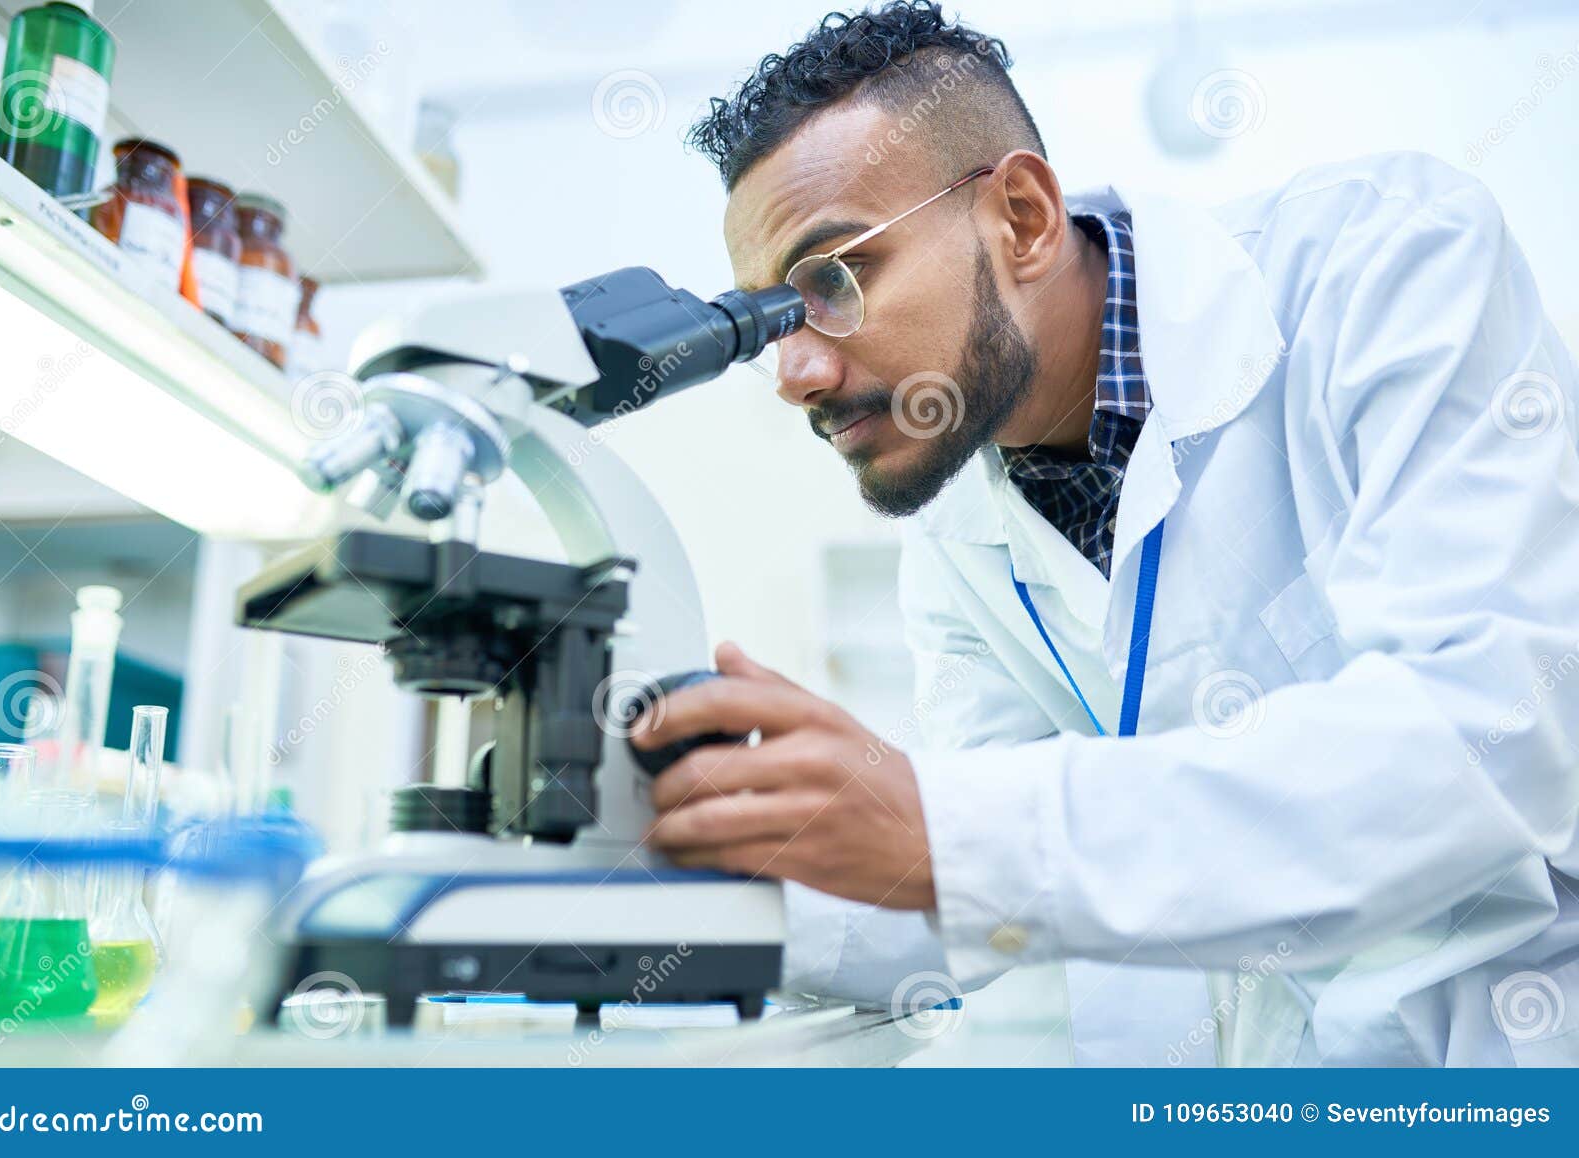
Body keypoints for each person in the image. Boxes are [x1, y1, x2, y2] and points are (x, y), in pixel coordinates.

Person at [629, 1, 1579, 1065]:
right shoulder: (958, 527)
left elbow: (1489, 736)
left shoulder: (1386, 263)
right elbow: (955, 895)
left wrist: (947, 825)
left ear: (1023, 218)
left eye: (833, 281)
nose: (794, 373)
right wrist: (686, 897)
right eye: (768, 319)